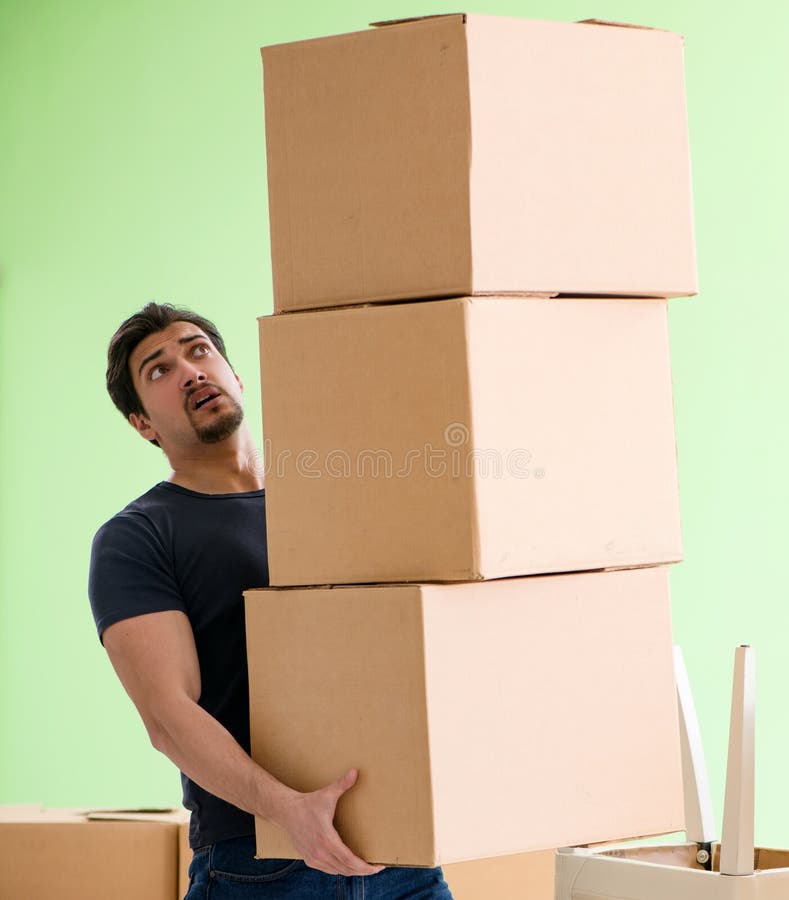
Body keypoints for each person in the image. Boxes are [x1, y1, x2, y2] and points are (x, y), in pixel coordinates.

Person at [89, 302, 453, 899]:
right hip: (260, 861)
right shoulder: (139, 536)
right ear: (142, 425)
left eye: (199, 350)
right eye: (159, 370)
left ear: (235, 373)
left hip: (398, 853)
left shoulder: (334, 500)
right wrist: (290, 812)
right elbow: (168, 716)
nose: (190, 370)